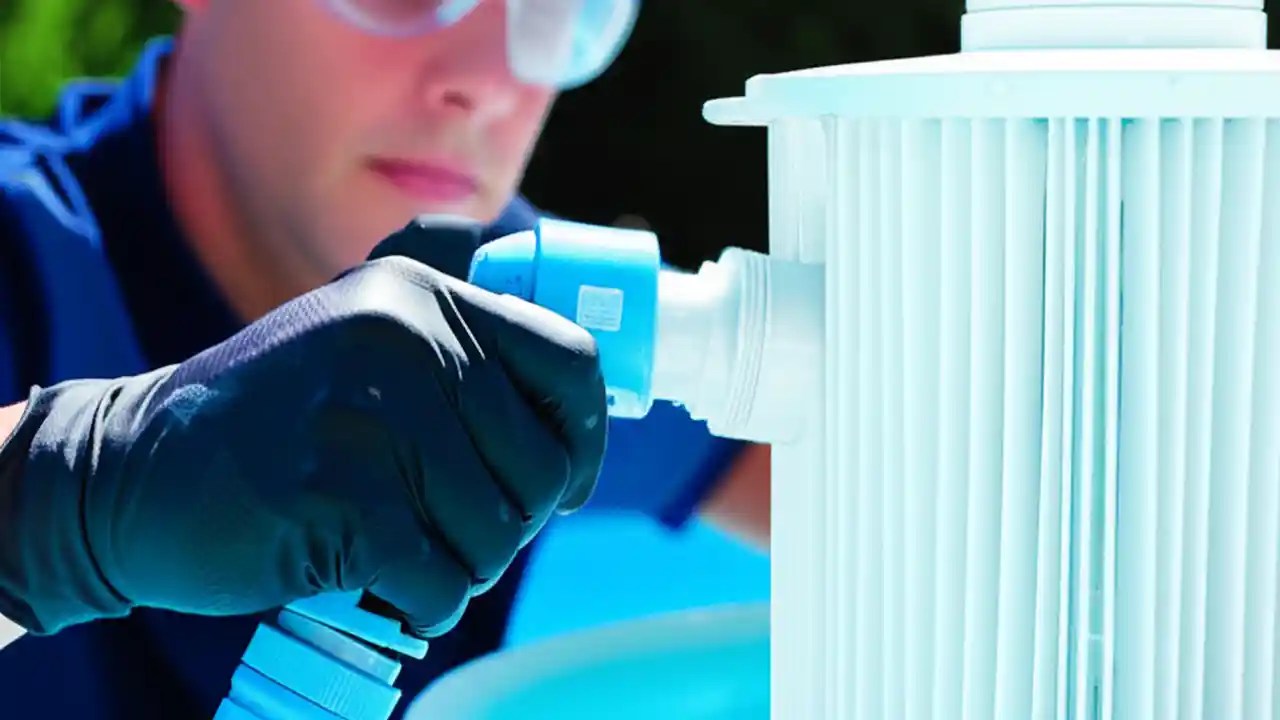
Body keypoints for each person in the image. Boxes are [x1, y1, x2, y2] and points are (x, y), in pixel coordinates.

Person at [0, 0, 771, 717]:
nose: (490, 83)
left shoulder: (534, 326)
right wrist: (76, 489)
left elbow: (874, 471)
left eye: (554, 6)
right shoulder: (25, 259)